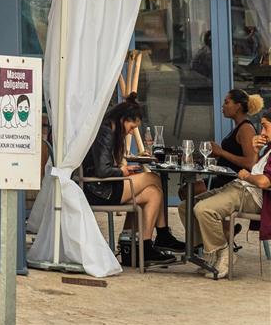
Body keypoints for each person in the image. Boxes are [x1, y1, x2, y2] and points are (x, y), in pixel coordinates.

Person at [81, 96, 174, 264]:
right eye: (132, 127)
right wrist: (122, 170)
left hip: (102, 187)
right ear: (123, 119)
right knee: (153, 177)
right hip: (99, 189)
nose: (131, 131)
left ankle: (142, 247)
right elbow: (102, 170)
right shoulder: (106, 131)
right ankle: (162, 235)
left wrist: (128, 163)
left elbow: (102, 162)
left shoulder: (109, 129)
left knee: (153, 193)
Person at [193, 110, 271, 276]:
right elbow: (257, 168)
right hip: (239, 187)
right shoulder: (268, 148)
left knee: (203, 209)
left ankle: (224, 254)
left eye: (265, 127)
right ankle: (212, 255)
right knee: (188, 207)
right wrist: (256, 152)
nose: (262, 132)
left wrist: (247, 176)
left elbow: (264, 181)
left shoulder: (246, 128)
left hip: (250, 195)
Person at [210, 90, 264, 174]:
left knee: (193, 186)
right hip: (224, 178)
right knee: (192, 185)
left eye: (227, 103)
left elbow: (250, 163)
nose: (223, 106)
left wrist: (221, 152)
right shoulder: (239, 127)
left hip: (236, 182)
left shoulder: (246, 129)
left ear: (237, 106)